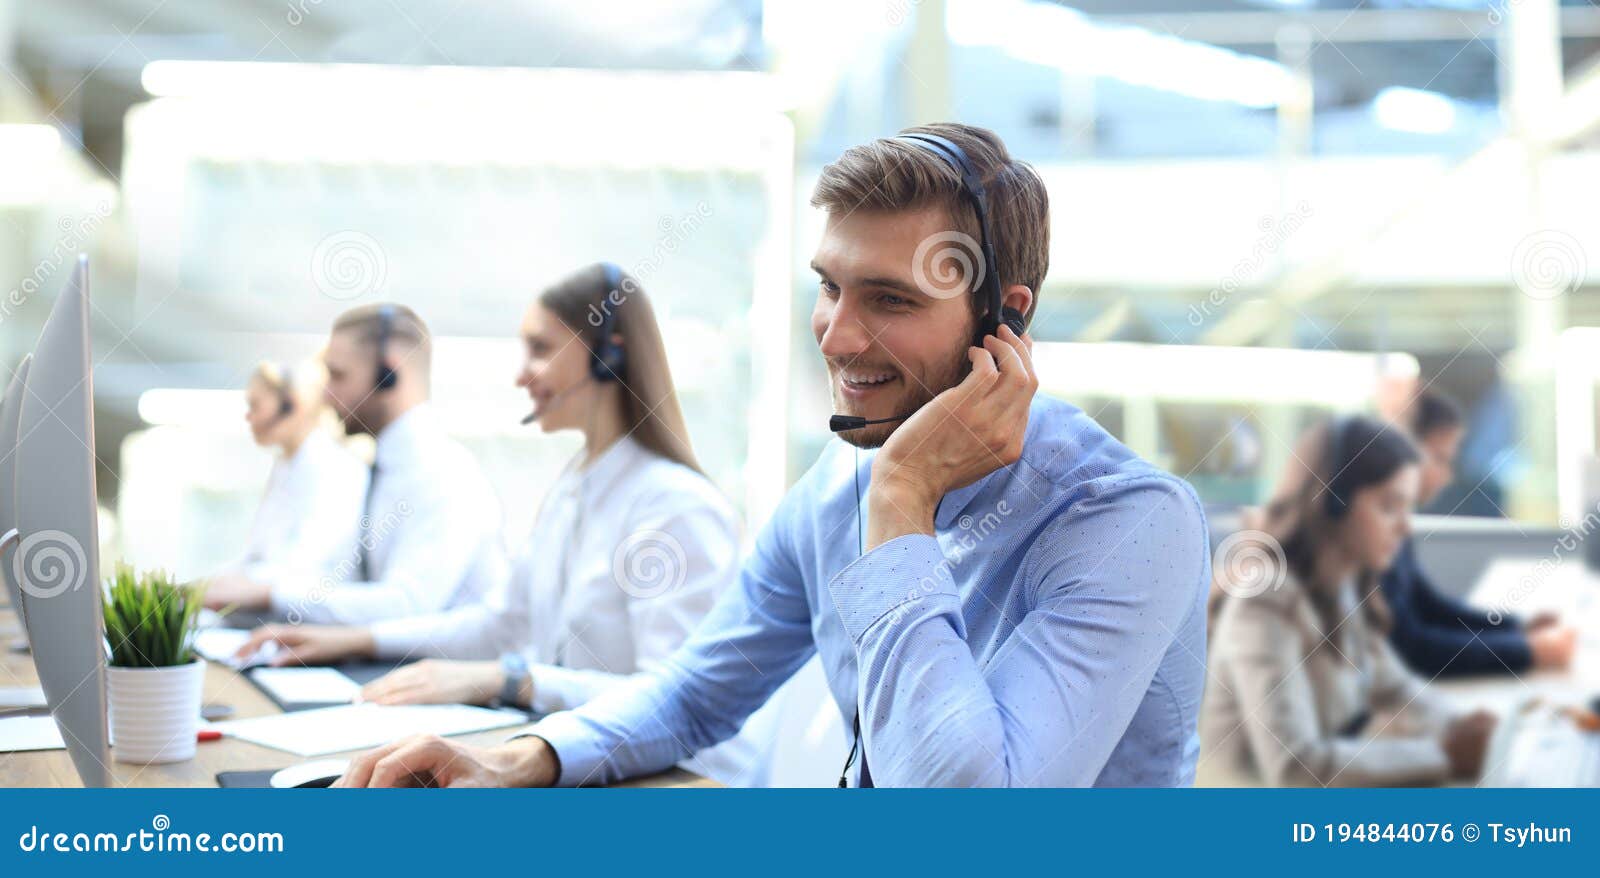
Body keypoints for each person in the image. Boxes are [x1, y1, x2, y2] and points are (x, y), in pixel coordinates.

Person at [334, 123, 1212, 789]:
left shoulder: (1128, 523)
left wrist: (902, 499)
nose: (836, 336)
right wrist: (519, 760)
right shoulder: (840, 486)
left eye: (890, 300)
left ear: (1004, 318)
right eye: (829, 287)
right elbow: (695, 693)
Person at [236, 265, 774, 785]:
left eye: (540, 349)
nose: (520, 374)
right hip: (587, 765)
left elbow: (671, 702)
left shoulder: (675, 508)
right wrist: (349, 639)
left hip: (674, 787)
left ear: (609, 353)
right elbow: (501, 624)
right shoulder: (573, 489)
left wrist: (512, 679)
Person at [1202, 416, 1497, 787]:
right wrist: (1443, 755)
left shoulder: (1344, 586)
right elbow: (1296, 769)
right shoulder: (1263, 605)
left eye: (1408, 508)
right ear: (1332, 504)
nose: (1405, 528)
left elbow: (1396, 687)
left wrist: (1460, 725)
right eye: (1390, 506)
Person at [205, 304, 508, 625]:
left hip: (452, 671)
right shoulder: (381, 469)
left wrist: (271, 593)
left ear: (388, 376)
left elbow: (408, 604)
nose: (324, 396)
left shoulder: (446, 474)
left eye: (337, 376)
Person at [1381, 391, 1577, 677]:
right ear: (1404, 447)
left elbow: (1430, 607)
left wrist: (1516, 628)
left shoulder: (1397, 523)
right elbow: (1414, 648)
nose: (1447, 475)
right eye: (1440, 458)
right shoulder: (1373, 531)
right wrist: (1527, 650)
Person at [217, 360, 366, 585]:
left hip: (305, 608)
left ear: (291, 405)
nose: (249, 417)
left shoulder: (334, 467)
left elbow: (304, 567)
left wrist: (227, 587)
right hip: (270, 601)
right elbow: (254, 554)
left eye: (255, 406)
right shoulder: (285, 465)